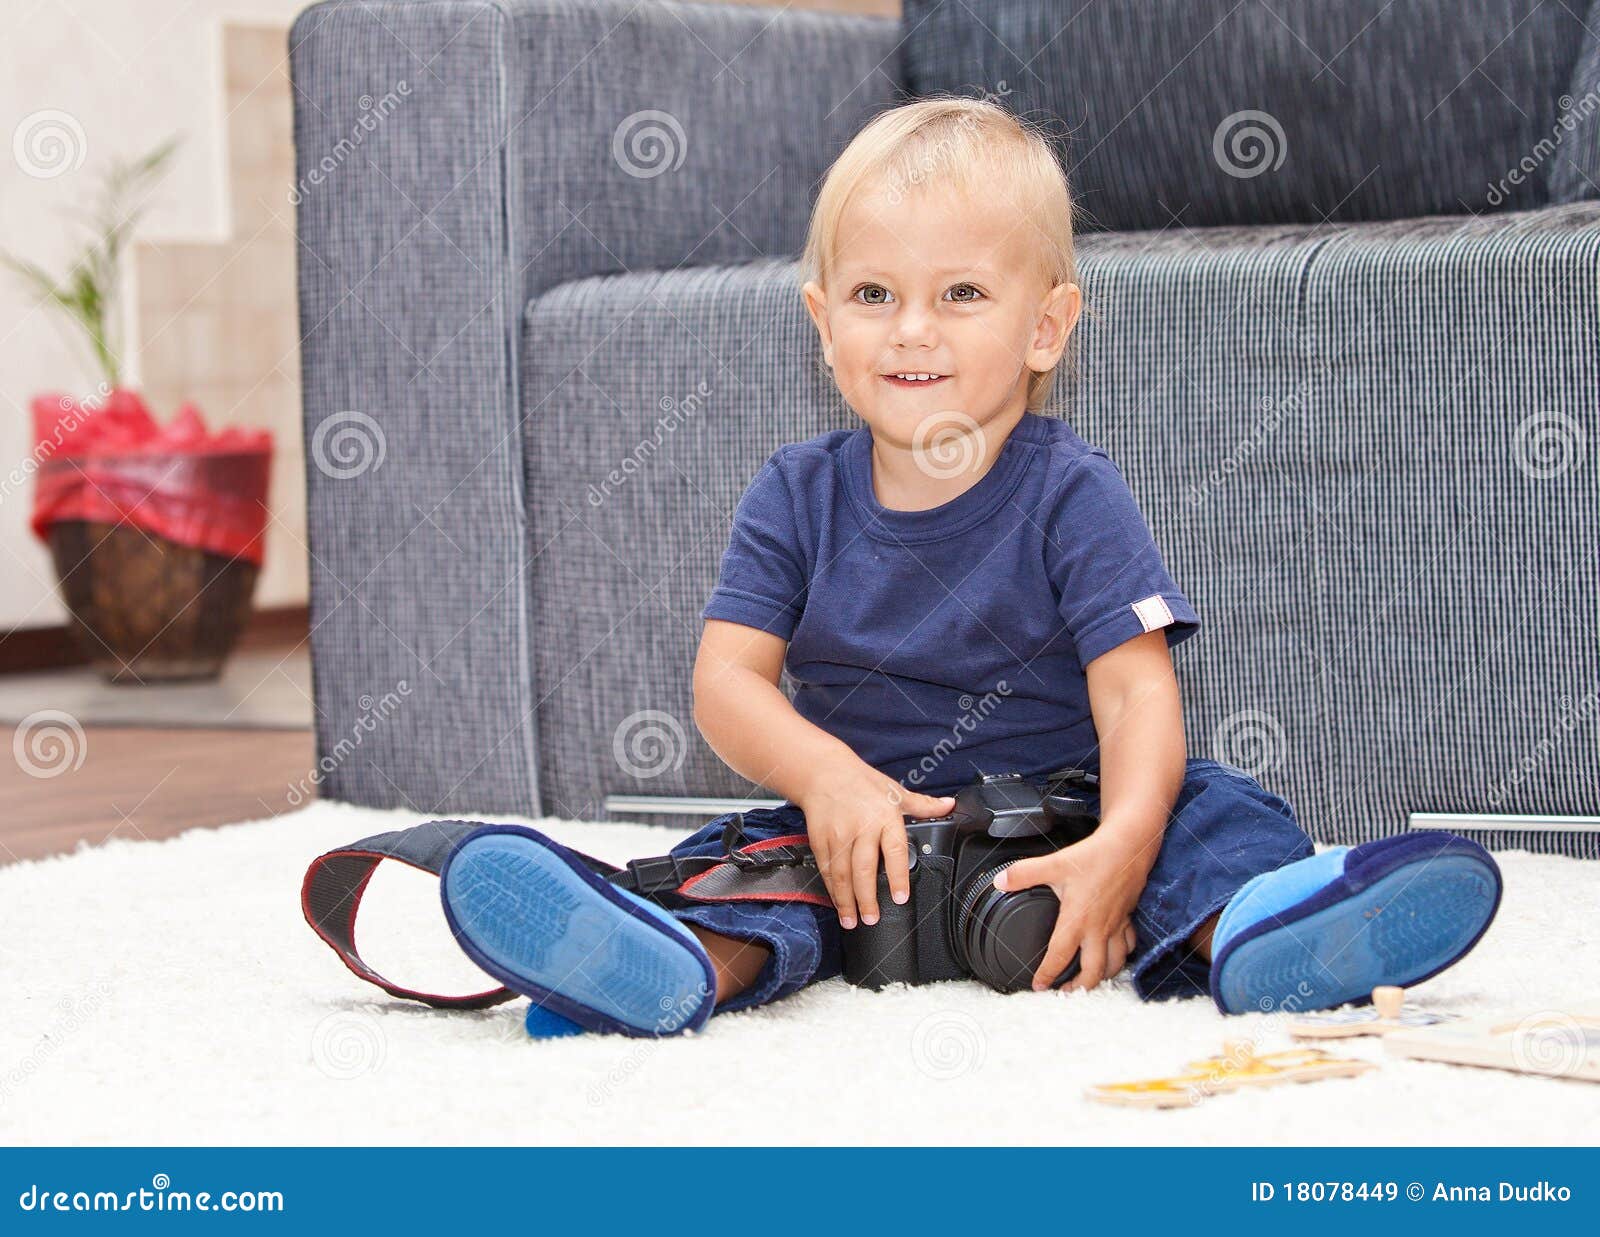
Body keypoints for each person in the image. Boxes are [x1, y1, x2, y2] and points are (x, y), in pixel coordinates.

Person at [439, 98, 1502, 1039]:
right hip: (863, 834)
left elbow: (1136, 692)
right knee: (747, 865)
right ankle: (663, 967)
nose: (910, 329)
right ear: (821, 322)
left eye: (958, 293)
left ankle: (1262, 935)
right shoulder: (793, 493)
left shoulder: (1071, 489)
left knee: (1215, 816)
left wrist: (1124, 841)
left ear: (1045, 327)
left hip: (1061, 818)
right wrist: (826, 780)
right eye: (870, 294)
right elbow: (725, 684)